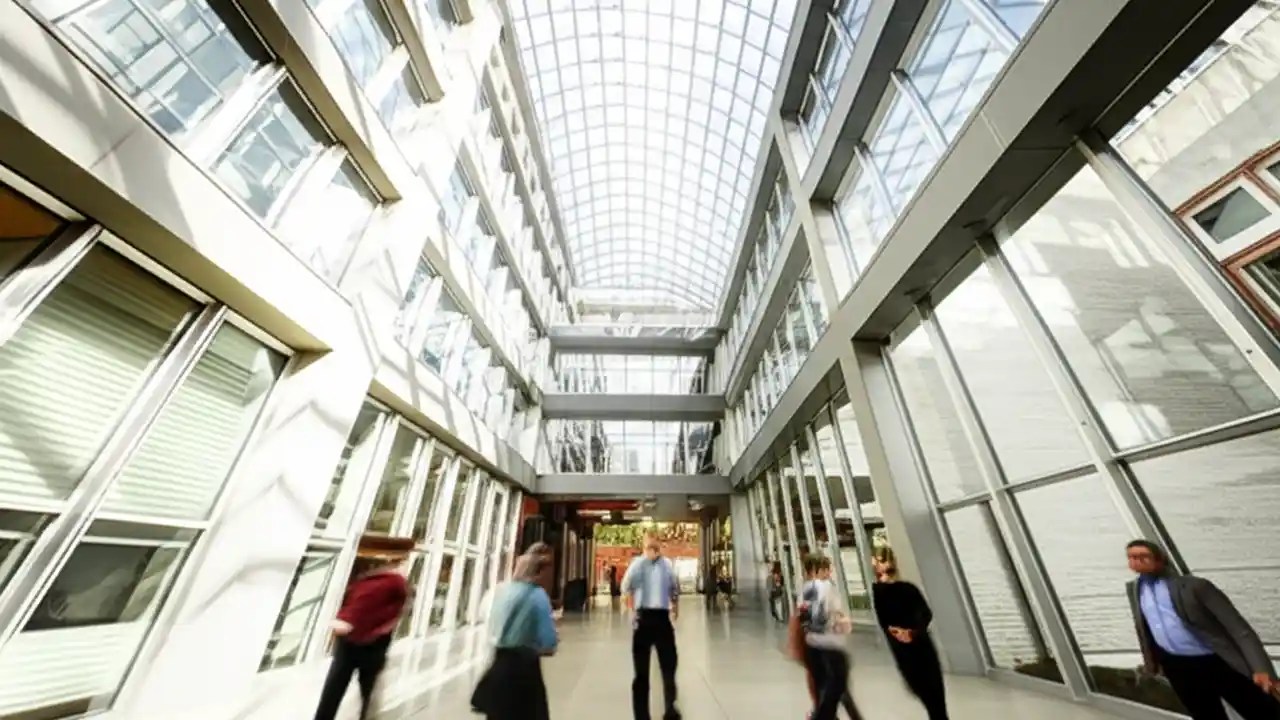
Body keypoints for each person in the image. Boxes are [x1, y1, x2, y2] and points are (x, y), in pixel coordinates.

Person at [1125, 539, 1279, 720]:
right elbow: (1144, 629)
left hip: (1217, 661)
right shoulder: (1135, 589)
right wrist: (1153, 663)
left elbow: (1239, 629)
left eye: (1143, 556)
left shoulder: (1196, 586)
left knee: (1262, 711)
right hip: (1177, 666)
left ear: (1160, 559)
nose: (1136, 561)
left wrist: (1261, 668)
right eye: (1132, 557)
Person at [313, 536, 412, 720]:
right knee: (362, 692)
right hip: (365, 644)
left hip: (361, 643)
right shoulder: (385, 581)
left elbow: (365, 605)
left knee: (337, 690)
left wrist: (347, 620)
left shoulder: (389, 582)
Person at [471, 549, 559, 720]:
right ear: (539, 572)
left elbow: (483, 616)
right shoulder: (537, 596)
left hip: (498, 668)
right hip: (524, 672)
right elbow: (549, 643)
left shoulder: (499, 590)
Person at [872, 548, 948, 720]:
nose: (881, 565)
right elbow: (884, 620)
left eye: (884, 560)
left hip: (920, 645)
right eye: (878, 561)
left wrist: (912, 633)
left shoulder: (908, 589)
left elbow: (926, 613)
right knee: (922, 690)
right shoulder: (879, 591)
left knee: (935, 697)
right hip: (903, 649)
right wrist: (899, 633)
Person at [622, 532, 681, 720]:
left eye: (656, 547)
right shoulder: (637, 565)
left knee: (669, 665)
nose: (653, 551)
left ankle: (670, 708)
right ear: (644, 547)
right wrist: (631, 610)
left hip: (662, 618)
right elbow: (626, 587)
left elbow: (674, 587)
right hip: (644, 617)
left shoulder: (667, 566)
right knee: (641, 672)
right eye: (649, 547)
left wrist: (675, 606)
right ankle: (641, 715)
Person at [798, 554, 861, 720]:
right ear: (815, 570)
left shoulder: (806, 589)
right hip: (829, 646)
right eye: (825, 569)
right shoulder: (824, 586)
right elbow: (821, 618)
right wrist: (839, 621)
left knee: (829, 689)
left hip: (813, 646)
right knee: (836, 690)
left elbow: (805, 618)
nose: (829, 572)